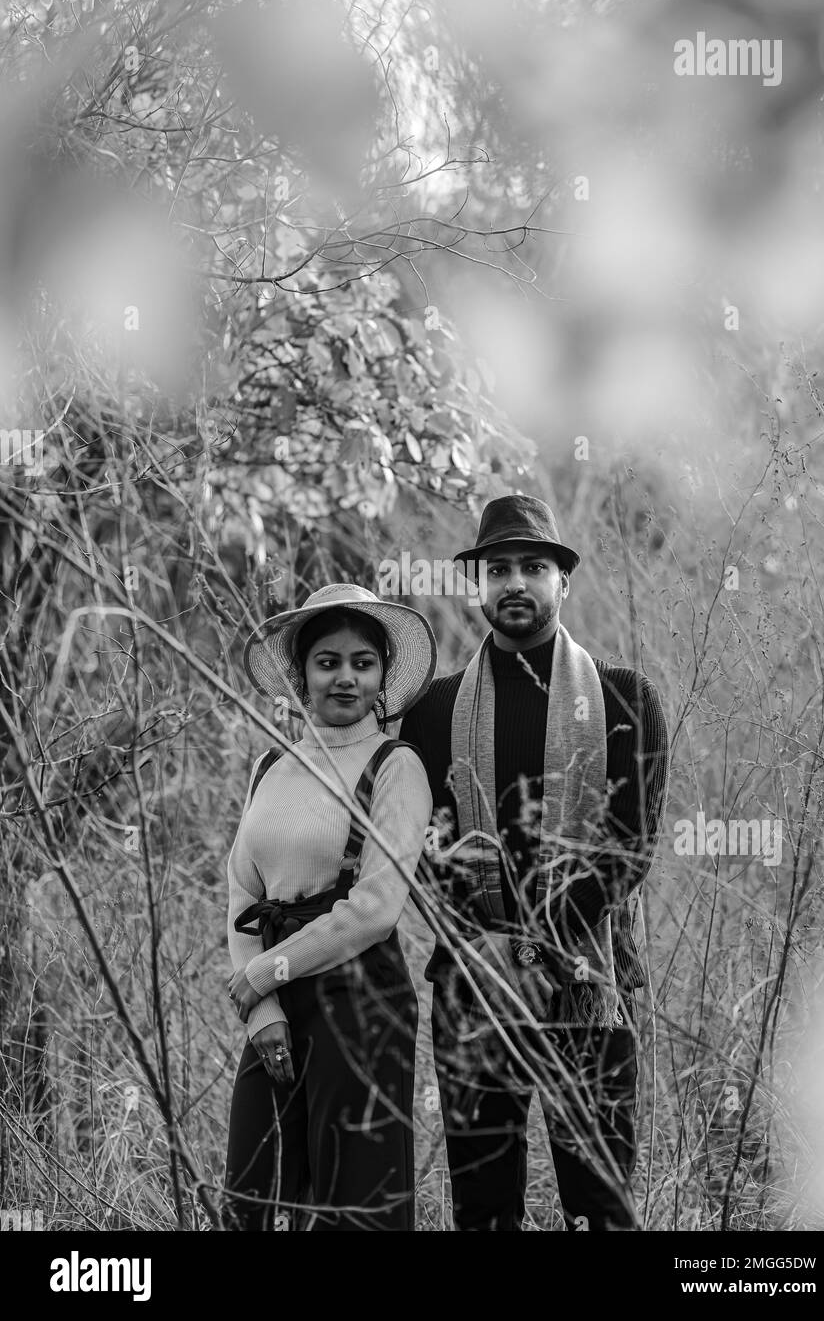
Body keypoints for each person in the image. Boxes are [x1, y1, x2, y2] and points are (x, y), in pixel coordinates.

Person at [399, 494, 669, 1232]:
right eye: (499, 569)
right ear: (479, 585)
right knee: (484, 1210)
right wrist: (486, 946)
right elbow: (423, 850)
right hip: (473, 984)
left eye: (533, 567)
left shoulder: (624, 699)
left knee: (601, 1205)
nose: (515, 582)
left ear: (563, 582)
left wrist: (537, 947)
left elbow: (629, 846)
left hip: (586, 975)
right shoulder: (431, 711)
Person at [223, 583, 435, 1231]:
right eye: (328, 661)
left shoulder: (395, 766)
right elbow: (241, 893)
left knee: (355, 1208)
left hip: (360, 1000)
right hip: (276, 1008)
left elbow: (374, 907)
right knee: (252, 1197)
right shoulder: (272, 765)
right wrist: (262, 1010)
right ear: (303, 674)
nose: (345, 676)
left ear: (381, 676)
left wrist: (267, 972)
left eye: (362, 662)